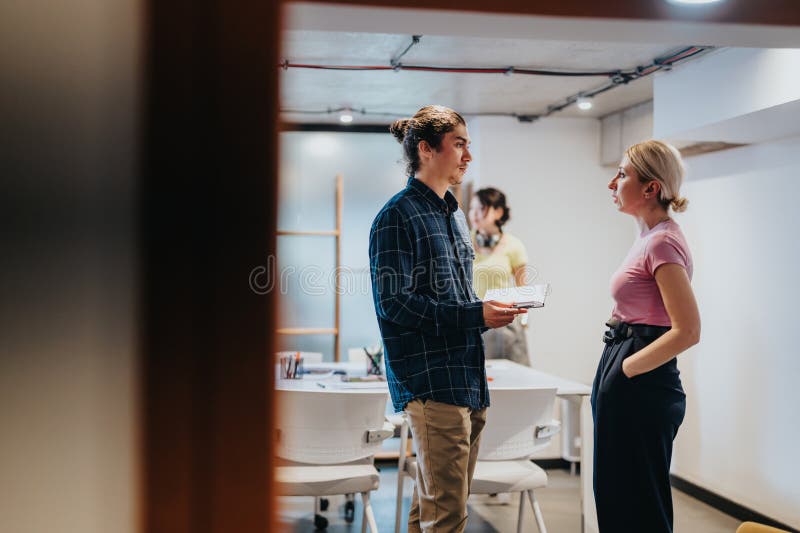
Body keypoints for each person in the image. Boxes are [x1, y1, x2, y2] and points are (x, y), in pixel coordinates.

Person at [369, 105, 526, 532]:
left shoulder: (453, 215)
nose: (468, 156)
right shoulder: (396, 216)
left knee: (434, 509)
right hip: (430, 381)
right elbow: (395, 304)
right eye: (459, 145)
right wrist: (476, 313)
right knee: (448, 517)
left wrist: (487, 310)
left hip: (466, 378)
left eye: (468, 145)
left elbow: (453, 294)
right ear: (426, 149)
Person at [591, 140, 701, 533]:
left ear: (651, 188)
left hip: (640, 374)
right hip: (624, 355)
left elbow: (688, 330)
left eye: (622, 174)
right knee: (618, 494)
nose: (612, 183)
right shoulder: (649, 237)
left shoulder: (662, 241)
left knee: (636, 502)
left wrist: (628, 368)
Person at [468, 187, 532, 365]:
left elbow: (522, 289)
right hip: (471, 320)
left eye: (481, 208)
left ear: (499, 211)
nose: (474, 214)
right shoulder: (462, 242)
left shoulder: (514, 245)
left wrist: (524, 322)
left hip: (503, 325)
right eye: (472, 208)